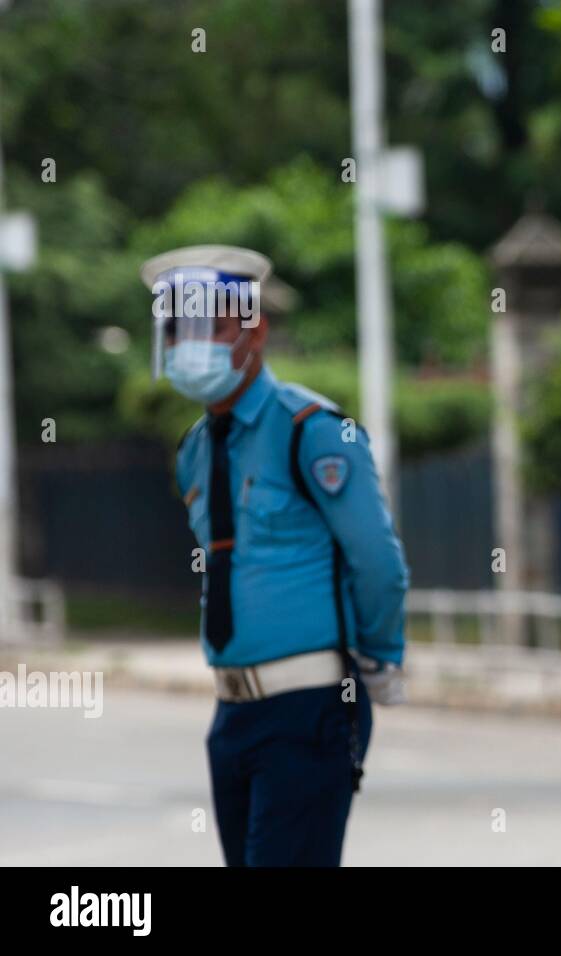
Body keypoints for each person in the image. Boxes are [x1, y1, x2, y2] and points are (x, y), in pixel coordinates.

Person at [142, 244, 410, 866]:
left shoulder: (311, 428)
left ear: (256, 328)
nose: (191, 341)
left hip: (309, 706)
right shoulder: (194, 451)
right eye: (178, 327)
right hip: (230, 712)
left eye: (210, 324)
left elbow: (376, 559)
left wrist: (382, 654)